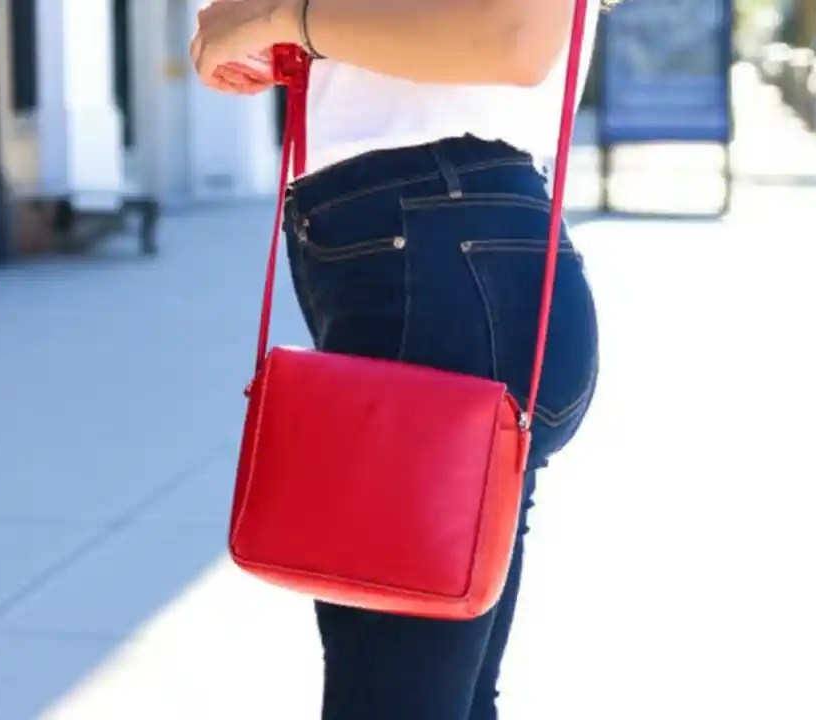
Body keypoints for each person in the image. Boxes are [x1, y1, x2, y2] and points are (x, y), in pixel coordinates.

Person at [191, 1, 603, 717]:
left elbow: (512, 39)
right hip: (439, 254)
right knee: (433, 696)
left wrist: (279, 17)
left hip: (440, 254)